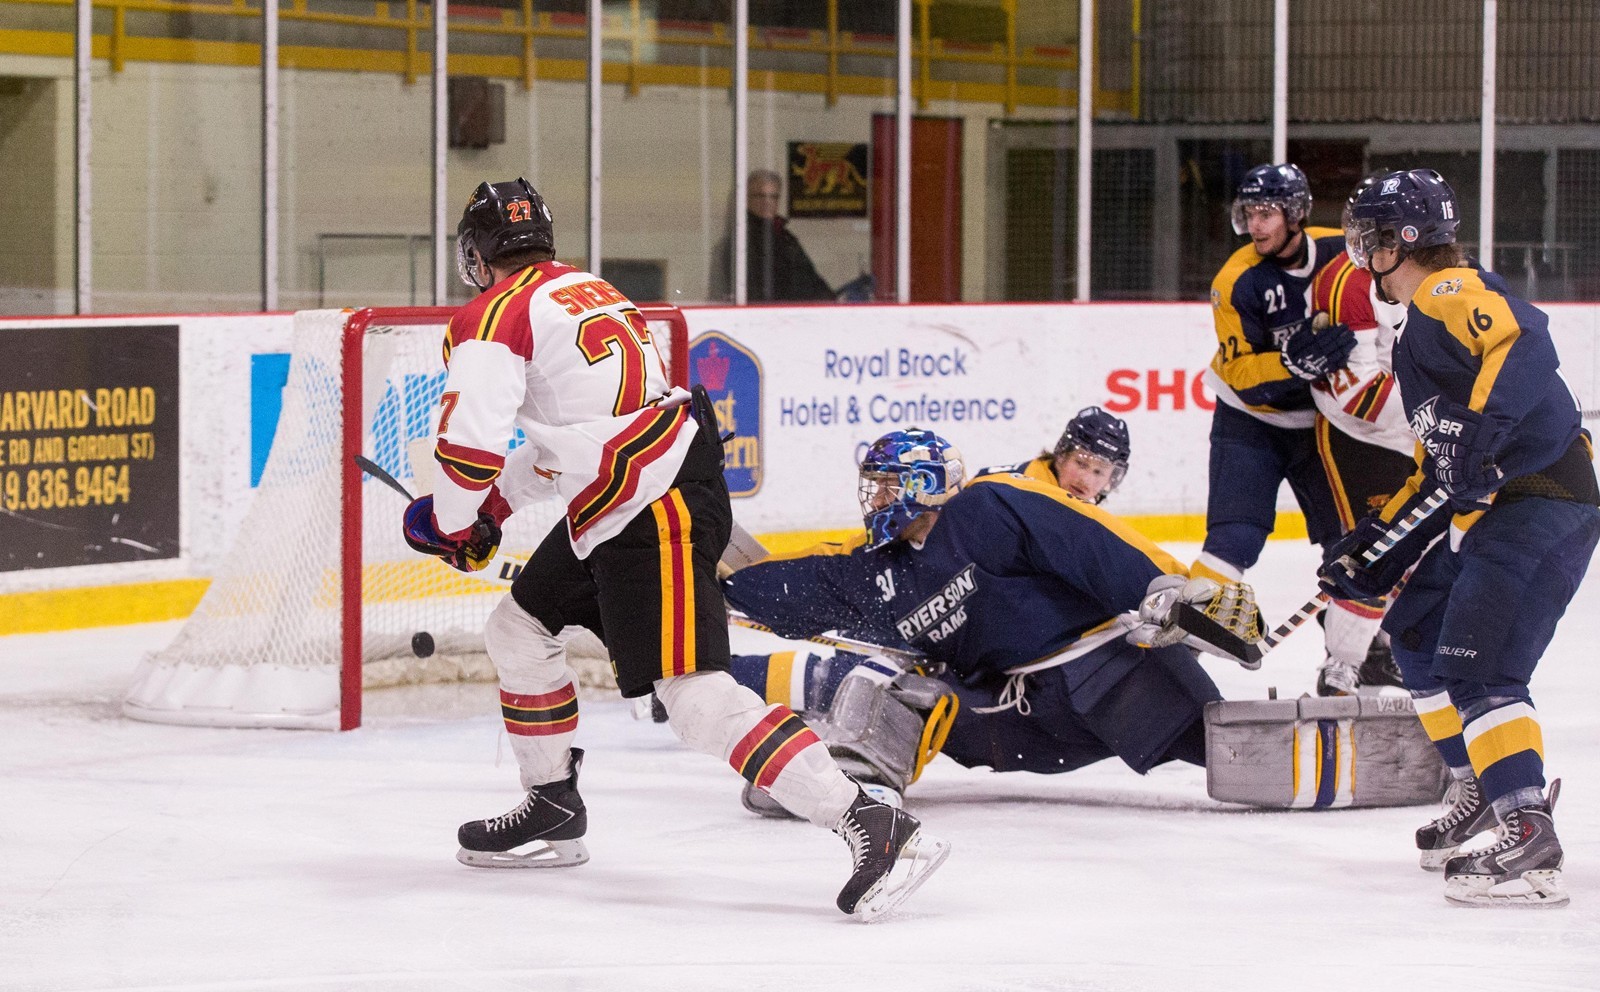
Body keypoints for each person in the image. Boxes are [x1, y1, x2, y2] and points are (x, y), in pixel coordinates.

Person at [399, 177, 947, 921]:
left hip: (648, 510)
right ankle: (552, 801)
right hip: (631, 494)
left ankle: (872, 824)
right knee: (519, 627)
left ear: (474, 254)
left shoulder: (492, 315)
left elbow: (467, 451)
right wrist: (490, 509)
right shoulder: (586, 291)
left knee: (695, 699)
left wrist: (456, 517)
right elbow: (577, 436)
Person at [722, 428, 1259, 815]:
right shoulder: (875, 568)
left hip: (1114, 676)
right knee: (893, 686)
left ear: (925, 483)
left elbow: (1091, 542)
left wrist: (1170, 588)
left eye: (888, 485)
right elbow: (792, 583)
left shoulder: (989, 505)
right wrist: (710, 580)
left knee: (1243, 754)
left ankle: (1333, 752)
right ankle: (855, 787)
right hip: (1020, 719)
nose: (876, 498)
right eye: (873, 486)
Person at [1320, 168, 1600, 908]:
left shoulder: (1447, 292)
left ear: (1398, 241)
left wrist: (1487, 426)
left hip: (1542, 498)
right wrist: (1378, 546)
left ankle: (1529, 830)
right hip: (1497, 507)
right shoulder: (1416, 325)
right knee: (1414, 632)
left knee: (1483, 669)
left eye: (1368, 238)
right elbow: (1440, 468)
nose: (1361, 252)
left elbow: (1526, 339)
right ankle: (1481, 779)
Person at [1199, 162, 1352, 691]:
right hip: (1250, 423)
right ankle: (1179, 657)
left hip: (1322, 424)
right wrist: (1295, 364)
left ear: (1297, 213)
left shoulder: (1345, 252)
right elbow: (1242, 376)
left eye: (1267, 212)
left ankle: (1353, 657)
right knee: (1234, 536)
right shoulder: (1236, 280)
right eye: (1249, 214)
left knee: (1348, 542)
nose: (1256, 225)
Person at [1300, 176, 1416, 695]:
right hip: (1360, 438)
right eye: (1361, 229)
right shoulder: (1345, 281)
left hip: (1416, 432)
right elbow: (1358, 396)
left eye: (1379, 231)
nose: (1365, 242)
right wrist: (1439, 420)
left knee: (1422, 551)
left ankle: (1385, 650)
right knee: (1372, 552)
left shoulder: (1444, 279)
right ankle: (1342, 663)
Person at [711, 170, 836, 303]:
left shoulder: (784, 237)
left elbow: (810, 279)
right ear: (745, 199)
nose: (767, 202)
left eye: (773, 197)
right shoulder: (740, 241)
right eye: (760, 196)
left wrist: (832, 301)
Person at [977, 405, 1132, 505]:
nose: (1085, 480)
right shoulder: (1023, 493)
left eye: (1098, 472)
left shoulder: (1068, 503)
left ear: (1112, 478)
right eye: (1081, 463)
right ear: (1063, 455)